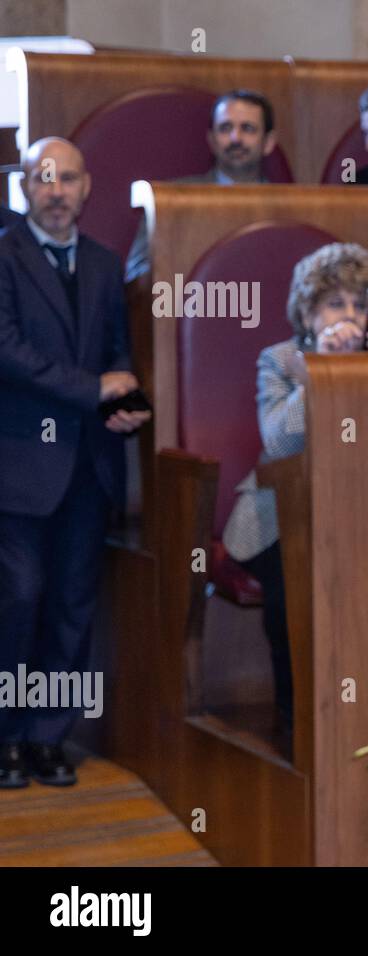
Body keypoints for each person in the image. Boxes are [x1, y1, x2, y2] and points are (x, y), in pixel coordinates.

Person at [0, 138, 152, 789]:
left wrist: (125, 402)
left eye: (68, 179)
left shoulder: (104, 261)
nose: (56, 190)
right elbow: (6, 350)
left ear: (88, 188)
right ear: (24, 189)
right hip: (19, 469)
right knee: (18, 600)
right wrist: (94, 392)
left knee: (71, 608)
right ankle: (6, 739)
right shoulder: (3, 256)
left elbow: (117, 353)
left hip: (89, 466)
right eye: (43, 178)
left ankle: (48, 738)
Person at [220, 243, 368, 749]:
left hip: (367, 513)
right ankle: (295, 720)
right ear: (306, 313)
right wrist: (322, 372)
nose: (349, 316)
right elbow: (278, 442)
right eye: (334, 304)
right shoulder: (281, 361)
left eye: (358, 304)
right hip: (281, 518)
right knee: (294, 589)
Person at [125, 89, 280, 282]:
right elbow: (136, 274)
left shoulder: (287, 207)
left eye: (247, 129)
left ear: (268, 142)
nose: (235, 138)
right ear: (212, 140)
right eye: (225, 128)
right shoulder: (170, 202)